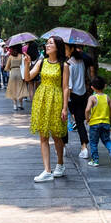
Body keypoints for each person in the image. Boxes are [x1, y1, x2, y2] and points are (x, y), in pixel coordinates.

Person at [27, 35, 70, 181]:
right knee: (43, 136)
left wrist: (65, 108)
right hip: (42, 99)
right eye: (47, 43)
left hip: (56, 99)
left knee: (57, 135)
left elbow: (65, 88)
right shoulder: (42, 62)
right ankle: (47, 170)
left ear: (57, 47)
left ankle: (60, 164)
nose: (47, 45)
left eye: (50, 43)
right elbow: (28, 78)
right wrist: (27, 64)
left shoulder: (64, 65)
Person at [85, 76, 111, 167]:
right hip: (105, 123)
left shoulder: (92, 98)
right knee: (107, 140)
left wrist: (87, 119)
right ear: (105, 86)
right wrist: (109, 117)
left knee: (93, 142)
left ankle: (95, 161)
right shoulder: (107, 97)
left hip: (94, 124)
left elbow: (87, 109)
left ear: (92, 87)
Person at [66, 44, 92, 160]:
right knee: (80, 122)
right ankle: (84, 147)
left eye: (66, 48)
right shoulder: (81, 61)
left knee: (66, 121)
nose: (64, 51)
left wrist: (66, 100)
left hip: (73, 96)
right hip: (82, 95)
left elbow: (69, 86)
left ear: (71, 49)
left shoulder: (69, 64)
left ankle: (63, 147)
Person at [4, 43, 31, 110]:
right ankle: (20, 104)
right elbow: (26, 65)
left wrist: (11, 68)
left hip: (13, 73)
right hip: (20, 73)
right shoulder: (22, 56)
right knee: (21, 89)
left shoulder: (10, 57)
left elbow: (6, 68)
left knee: (13, 89)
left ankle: (15, 105)